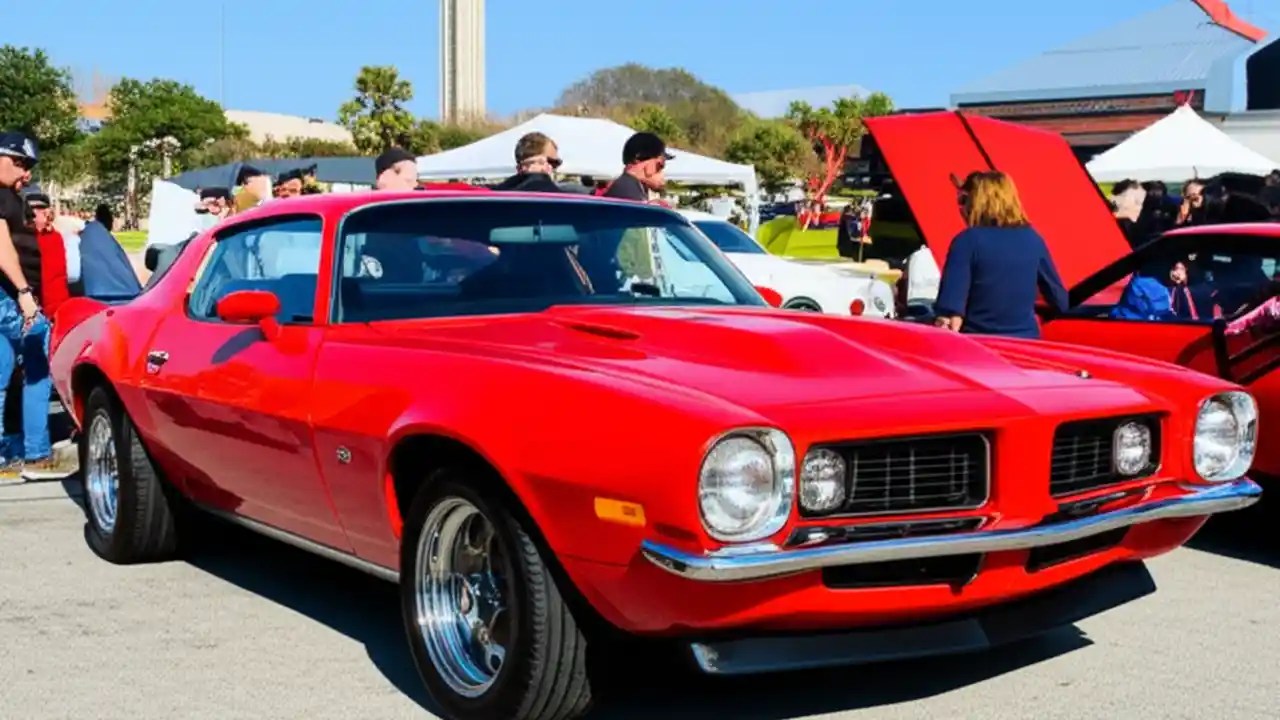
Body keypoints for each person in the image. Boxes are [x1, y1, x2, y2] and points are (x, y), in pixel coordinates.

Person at [933, 171, 1069, 339]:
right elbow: (1060, 301)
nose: (960, 208)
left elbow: (951, 317)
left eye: (963, 200)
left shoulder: (967, 242)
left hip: (981, 346)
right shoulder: (1034, 239)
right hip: (1027, 344)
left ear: (977, 202)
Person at [79, 204, 143, 300]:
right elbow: (124, 263)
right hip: (124, 292)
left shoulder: (86, 234)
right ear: (109, 221)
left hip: (93, 290)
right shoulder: (107, 239)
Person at [602, 131, 672, 201]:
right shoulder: (628, 191)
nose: (661, 174)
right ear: (638, 158)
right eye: (658, 166)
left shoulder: (628, 186)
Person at [491, 132, 564, 192]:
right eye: (552, 162)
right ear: (522, 167)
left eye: (556, 164)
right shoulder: (559, 200)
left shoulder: (492, 196)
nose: (551, 168)